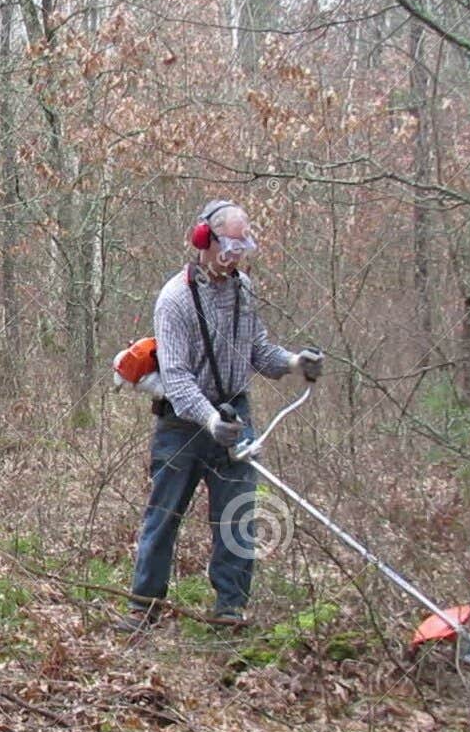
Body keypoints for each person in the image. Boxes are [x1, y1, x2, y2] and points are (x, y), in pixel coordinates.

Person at [117, 199, 323, 632]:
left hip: (236, 411)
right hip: (182, 424)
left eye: (241, 247)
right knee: (164, 513)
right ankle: (143, 606)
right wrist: (211, 421)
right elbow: (175, 378)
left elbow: (259, 352)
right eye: (227, 246)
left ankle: (230, 609)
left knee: (238, 515)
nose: (234, 257)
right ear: (203, 241)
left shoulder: (244, 290)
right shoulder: (174, 300)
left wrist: (294, 363)